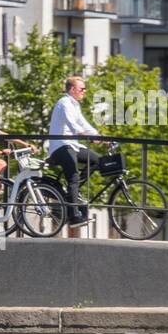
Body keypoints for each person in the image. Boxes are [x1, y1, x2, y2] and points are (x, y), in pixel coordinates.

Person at [46, 75, 104, 232]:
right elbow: (73, 125)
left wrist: (99, 136)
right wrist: (88, 136)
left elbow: (83, 123)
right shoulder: (64, 103)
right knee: (73, 176)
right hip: (60, 147)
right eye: (82, 89)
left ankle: (74, 191)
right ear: (72, 89)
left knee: (98, 161)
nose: (84, 91)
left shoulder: (75, 105)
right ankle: (74, 216)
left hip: (72, 145)